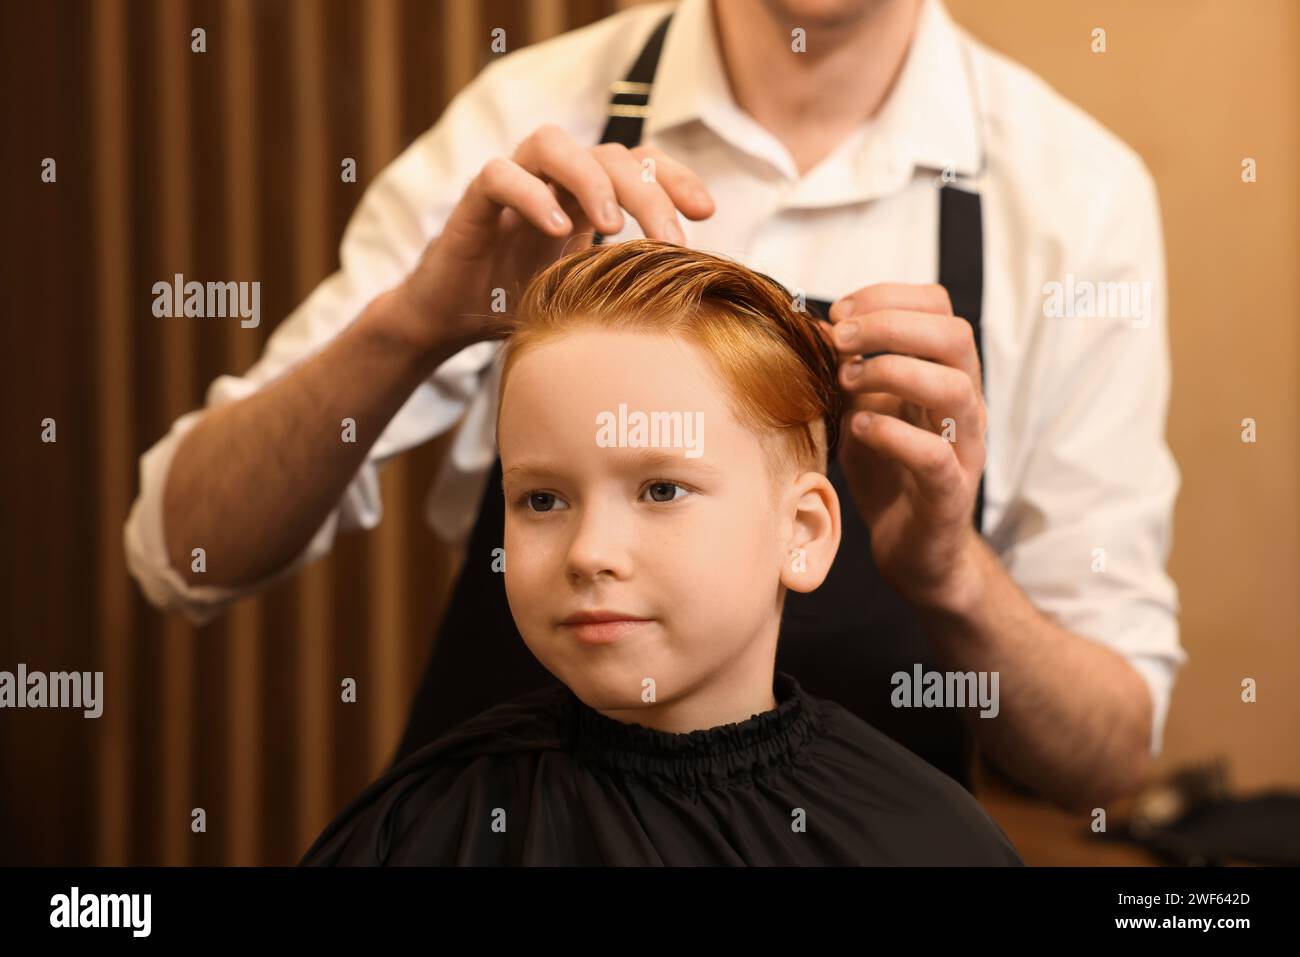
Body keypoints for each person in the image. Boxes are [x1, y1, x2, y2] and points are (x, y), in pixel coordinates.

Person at [124, 0, 1184, 809]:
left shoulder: (1076, 202)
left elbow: (1107, 757)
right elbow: (184, 549)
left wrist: (949, 578)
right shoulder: (526, 114)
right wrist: (415, 324)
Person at [299, 239, 1024, 866]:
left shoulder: (925, 836)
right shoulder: (419, 828)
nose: (590, 553)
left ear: (801, 531)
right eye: (542, 499)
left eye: (660, 490)